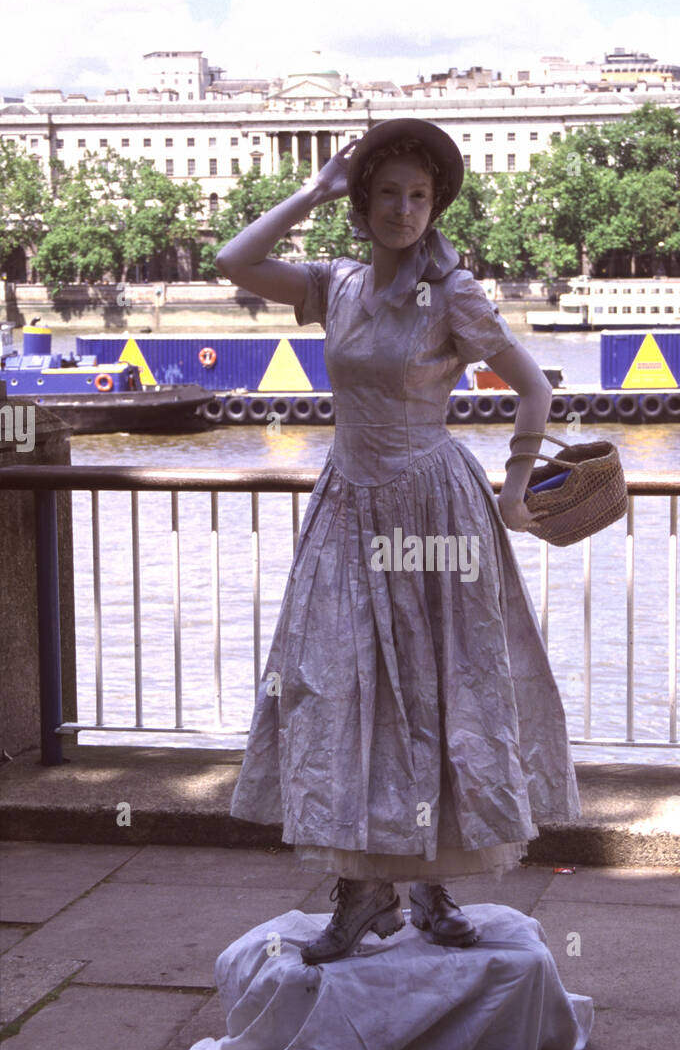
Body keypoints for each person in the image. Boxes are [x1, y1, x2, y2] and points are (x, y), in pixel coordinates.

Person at [216, 119, 580, 965]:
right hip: (348, 503)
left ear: (436, 204)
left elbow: (533, 390)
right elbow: (233, 263)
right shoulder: (332, 285)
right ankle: (361, 891)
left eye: (421, 196)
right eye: (390, 193)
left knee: (436, 688)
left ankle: (429, 885)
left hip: (433, 507)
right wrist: (313, 188)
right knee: (340, 686)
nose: (406, 210)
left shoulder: (454, 294)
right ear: (363, 198)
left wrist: (518, 491)